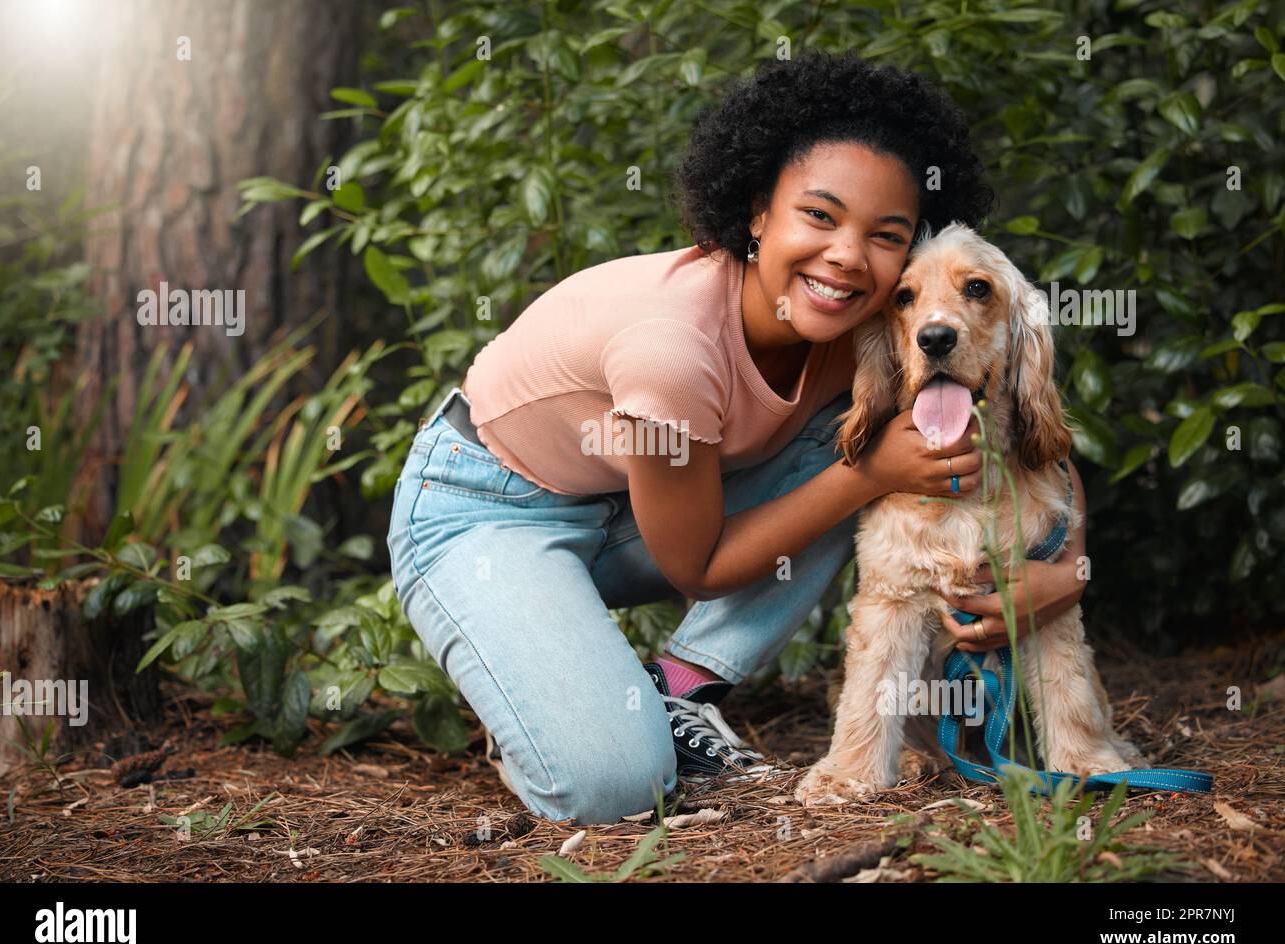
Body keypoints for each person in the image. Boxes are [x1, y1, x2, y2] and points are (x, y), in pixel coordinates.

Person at [387, 50, 1084, 825]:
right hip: (487, 507)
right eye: (819, 216)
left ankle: (682, 691)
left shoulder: (879, 325)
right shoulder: (673, 349)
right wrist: (867, 475)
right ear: (757, 212)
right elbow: (700, 564)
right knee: (614, 785)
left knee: (873, 433)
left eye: (885, 235)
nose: (847, 257)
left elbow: (1021, 423)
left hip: (638, 502)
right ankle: (545, 694)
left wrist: (1066, 570)